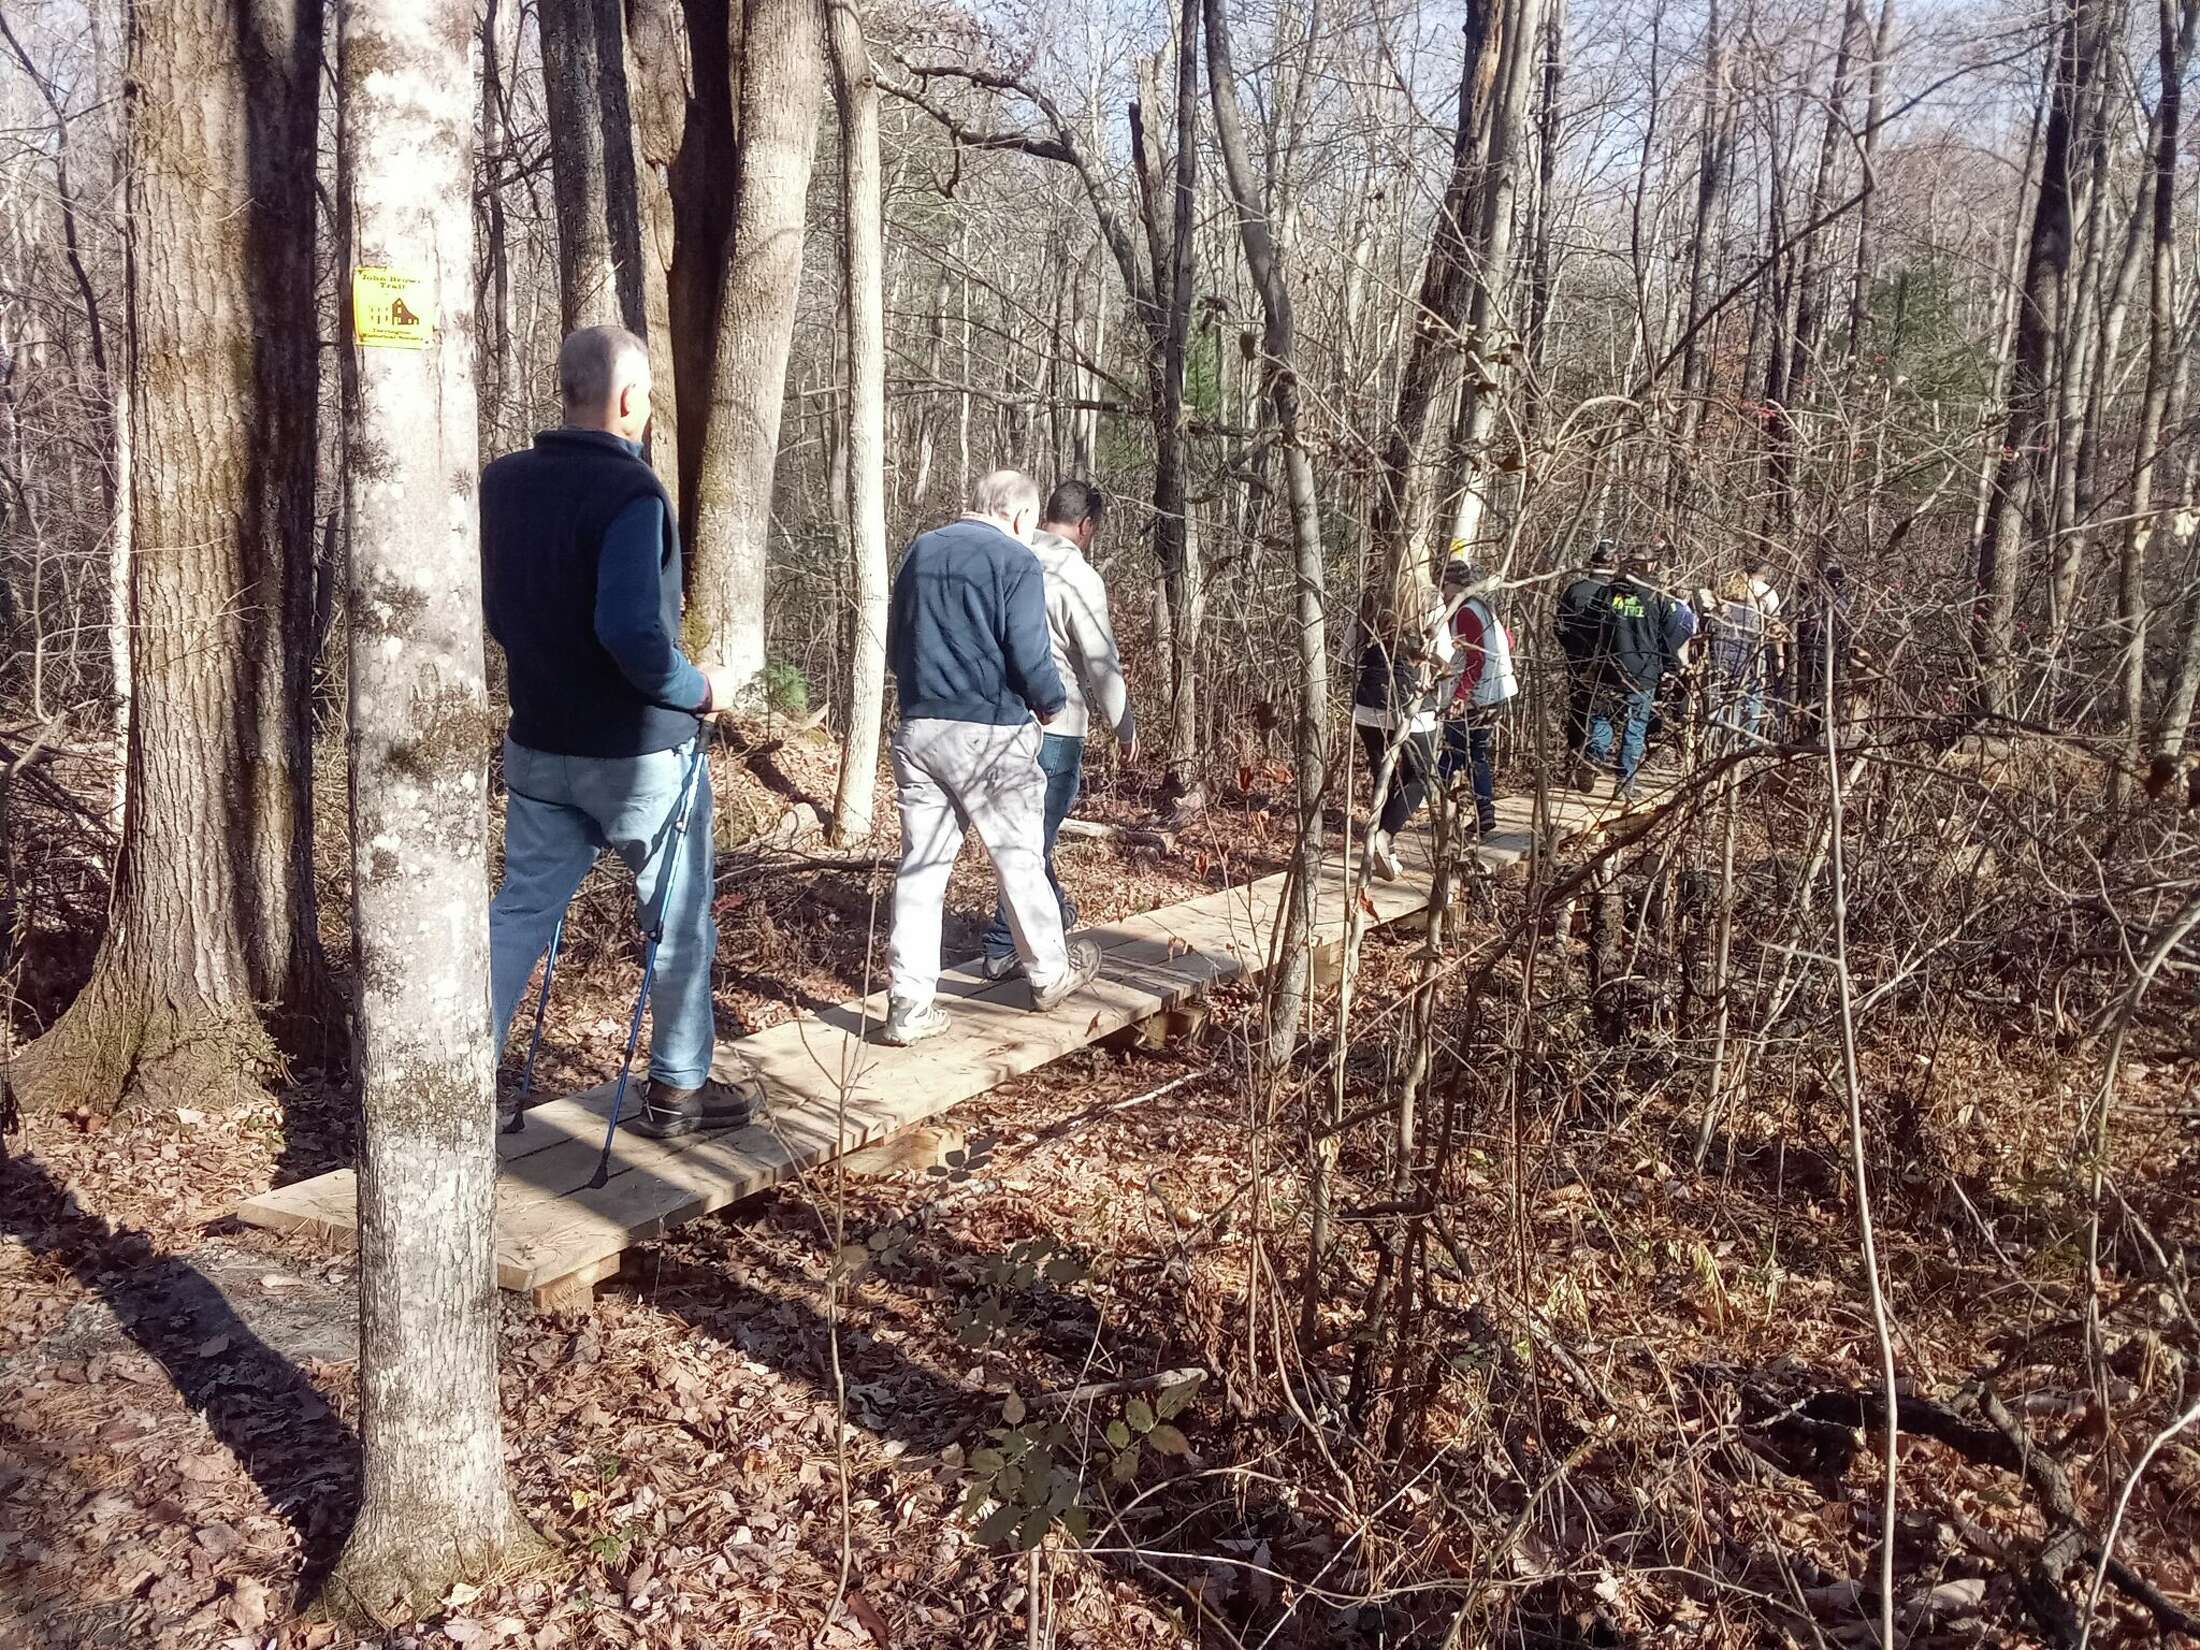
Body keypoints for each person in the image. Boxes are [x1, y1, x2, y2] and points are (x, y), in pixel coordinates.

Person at [480, 326, 762, 1140]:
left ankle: (466, 1085)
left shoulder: (502, 484)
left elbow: (500, 608)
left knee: (518, 913)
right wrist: (699, 687)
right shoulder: (631, 495)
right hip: (639, 754)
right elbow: (632, 633)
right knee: (676, 920)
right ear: (632, 399)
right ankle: (676, 1092)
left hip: (537, 742)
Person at [883, 469, 1104, 1046]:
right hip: (989, 736)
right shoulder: (1015, 560)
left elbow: (894, 644)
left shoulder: (920, 551)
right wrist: (1050, 702)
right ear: (1021, 517)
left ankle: (909, 1003)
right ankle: (1050, 972)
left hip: (919, 728)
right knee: (1019, 858)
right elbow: (1028, 648)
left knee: (922, 870)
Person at [978, 479, 1136, 981]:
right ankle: (1005, 945)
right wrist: (1124, 725)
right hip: (1057, 724)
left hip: (996, 719)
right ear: (1086, 527)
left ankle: (1057, 909)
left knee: (1023, 835)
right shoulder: (1077, 576)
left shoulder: (1005, 556)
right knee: (1033, 839)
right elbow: (1100, 661)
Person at [1556, 544, 1695, 797]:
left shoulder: (1607, 593)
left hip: (1608, 668)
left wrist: (1585, 658)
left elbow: (1587, 626)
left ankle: (1594, 756)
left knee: (1600, 716)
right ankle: (1624, 783)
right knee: (1635, 724)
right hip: (1643, 671)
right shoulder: (1657, 595)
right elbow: (1677, 629)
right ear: (1651, 565)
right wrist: (1667, 664)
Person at [1352, 577, 1457, 881]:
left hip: (1370, 699)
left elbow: (1349, 649)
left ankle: (1383, 849)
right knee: (1420, 774)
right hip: (1411, 700)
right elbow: (1445, 655)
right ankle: (1384, 835)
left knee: (1383, 777)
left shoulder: (1371, 593)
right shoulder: (1429, 598)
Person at [1436, 552, 1517, 835]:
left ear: (1454, 585)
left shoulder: (1466, 611)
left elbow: (1476, 659)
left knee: (1452, 755)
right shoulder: (1481, 607)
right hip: (1496, 690)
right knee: (1475, 754)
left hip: (1478, 696)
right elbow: (1508, 640)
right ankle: (1483, 812)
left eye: (1443, 585)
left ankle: (1441, 815)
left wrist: (1460, 695)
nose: (1440, 592)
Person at [1700, 569, 1769, 748]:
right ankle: (1729, 745)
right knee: (1735, 706)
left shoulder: (1717, 609)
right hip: (1740, 664)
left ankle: (1711, 744)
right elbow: (1756, 640)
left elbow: (1705, 632)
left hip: (1718, 662)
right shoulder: (1751, 611)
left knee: (1716, 705)